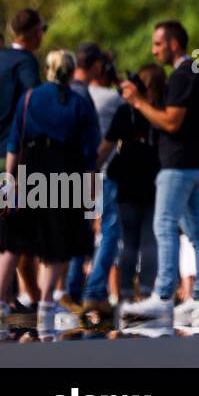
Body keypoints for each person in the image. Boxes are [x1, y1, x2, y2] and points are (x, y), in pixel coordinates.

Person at [119, 20, 199, 329]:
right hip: (197, 164)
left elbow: (171, 122)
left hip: (178, 166)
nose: (154, 49)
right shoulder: (198, 76)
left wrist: (137, 101)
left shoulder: (182, 76)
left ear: (174, 44)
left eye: (158, 44)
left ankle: (162, 297)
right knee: (195, 230)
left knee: (164, 226)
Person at [4, 49, 100, 336]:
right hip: (65, 172)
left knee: (14, 240)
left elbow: (13, 145)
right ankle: (46, 307)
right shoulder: (79, 103)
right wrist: (91, 198)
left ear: (47, 69)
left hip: (31, 169)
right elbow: (89, 154)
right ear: (71, 72)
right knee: (56, 243)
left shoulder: (30, 98)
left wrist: (8, 188)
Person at [103, 65, 164, 305]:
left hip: (127, 181)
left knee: (128, 241)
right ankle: (147, 290)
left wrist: (90, 168)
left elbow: (106, 144)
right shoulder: (161, 111)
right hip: (153, 179)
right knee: (149, 239)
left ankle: (126, 293)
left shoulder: (125, 111)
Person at [76, 43, 126, 316]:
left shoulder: (74, 94)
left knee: (79, 232)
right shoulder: (111, 99)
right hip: (105, 173)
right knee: (110, 232)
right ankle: (95, 290)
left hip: (77, 172)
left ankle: (72, 288)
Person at [0, 8, 44, 320]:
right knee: (13, 231)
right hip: (13, 155)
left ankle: (10, 298)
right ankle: (2, 298)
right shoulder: (25, 62)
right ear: (32, 34)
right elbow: (32, 101)